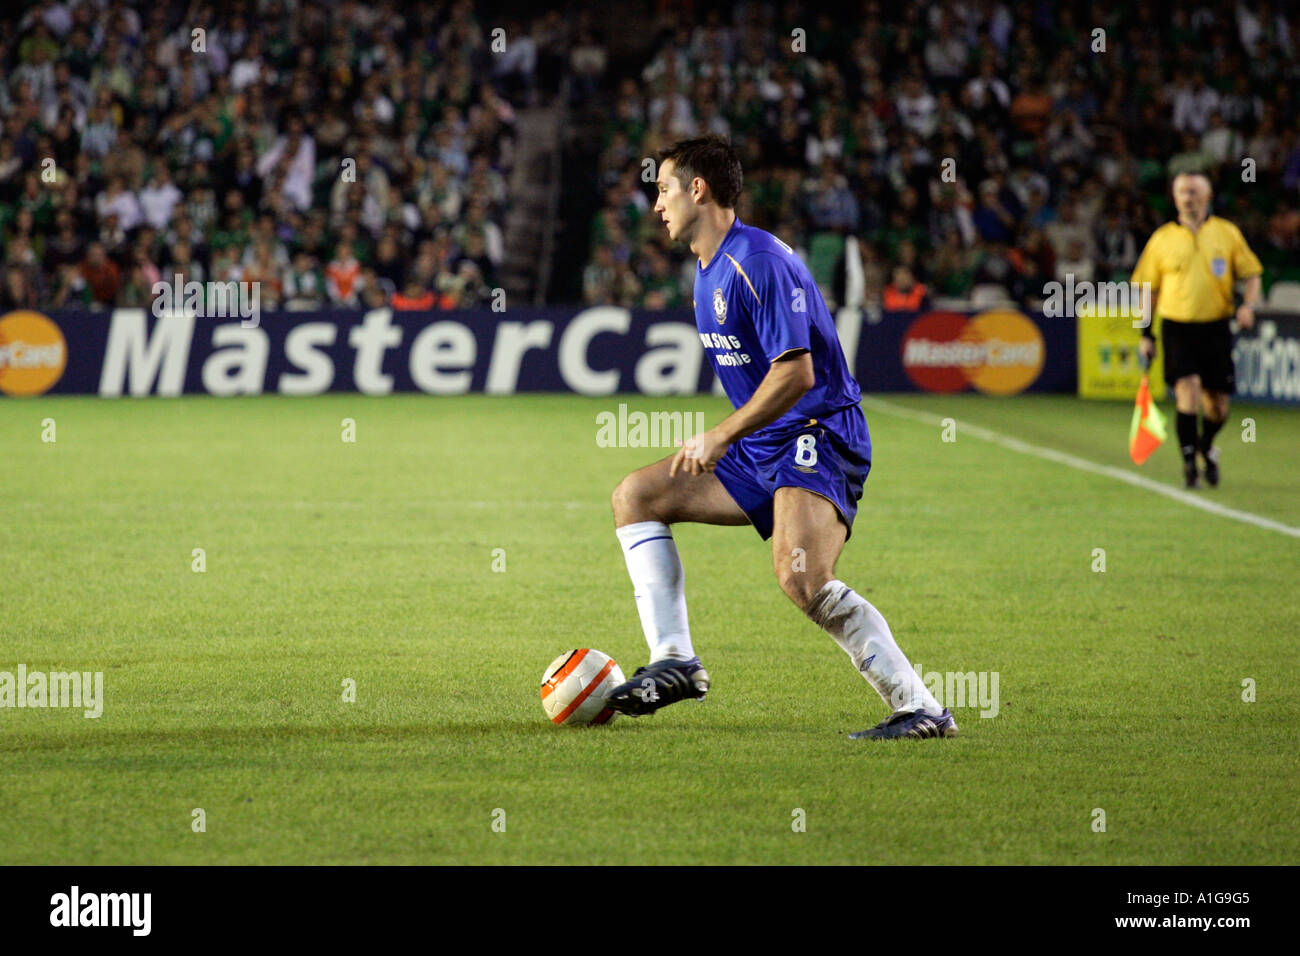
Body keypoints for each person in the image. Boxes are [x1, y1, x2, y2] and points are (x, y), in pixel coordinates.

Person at [606, 136, 956, 740]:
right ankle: (676, 660)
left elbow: (797, 373)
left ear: (698, 190)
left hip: (817, 430)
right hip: (765, 444)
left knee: (801, 578)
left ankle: (921, 706)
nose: (655, 203)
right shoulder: (705, 268)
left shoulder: (758, 261)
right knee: (635, 497)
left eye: (663, 188)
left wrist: (721, 434)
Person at [1132, 173, 1262, 488]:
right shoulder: (1162, 238)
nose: (1187, 197)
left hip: (1216, 326)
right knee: (1187, 391)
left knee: (1217, 405)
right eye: (1181, 192)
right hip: (1177, 326)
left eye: (1193, 191)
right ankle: (1189, 462)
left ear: (1207, 196)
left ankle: (1206, 446)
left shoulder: (1226, 233)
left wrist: (1248, 306)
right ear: (1174, 197)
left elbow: (1252, 274)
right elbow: (1147, 289)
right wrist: (1146, 335)